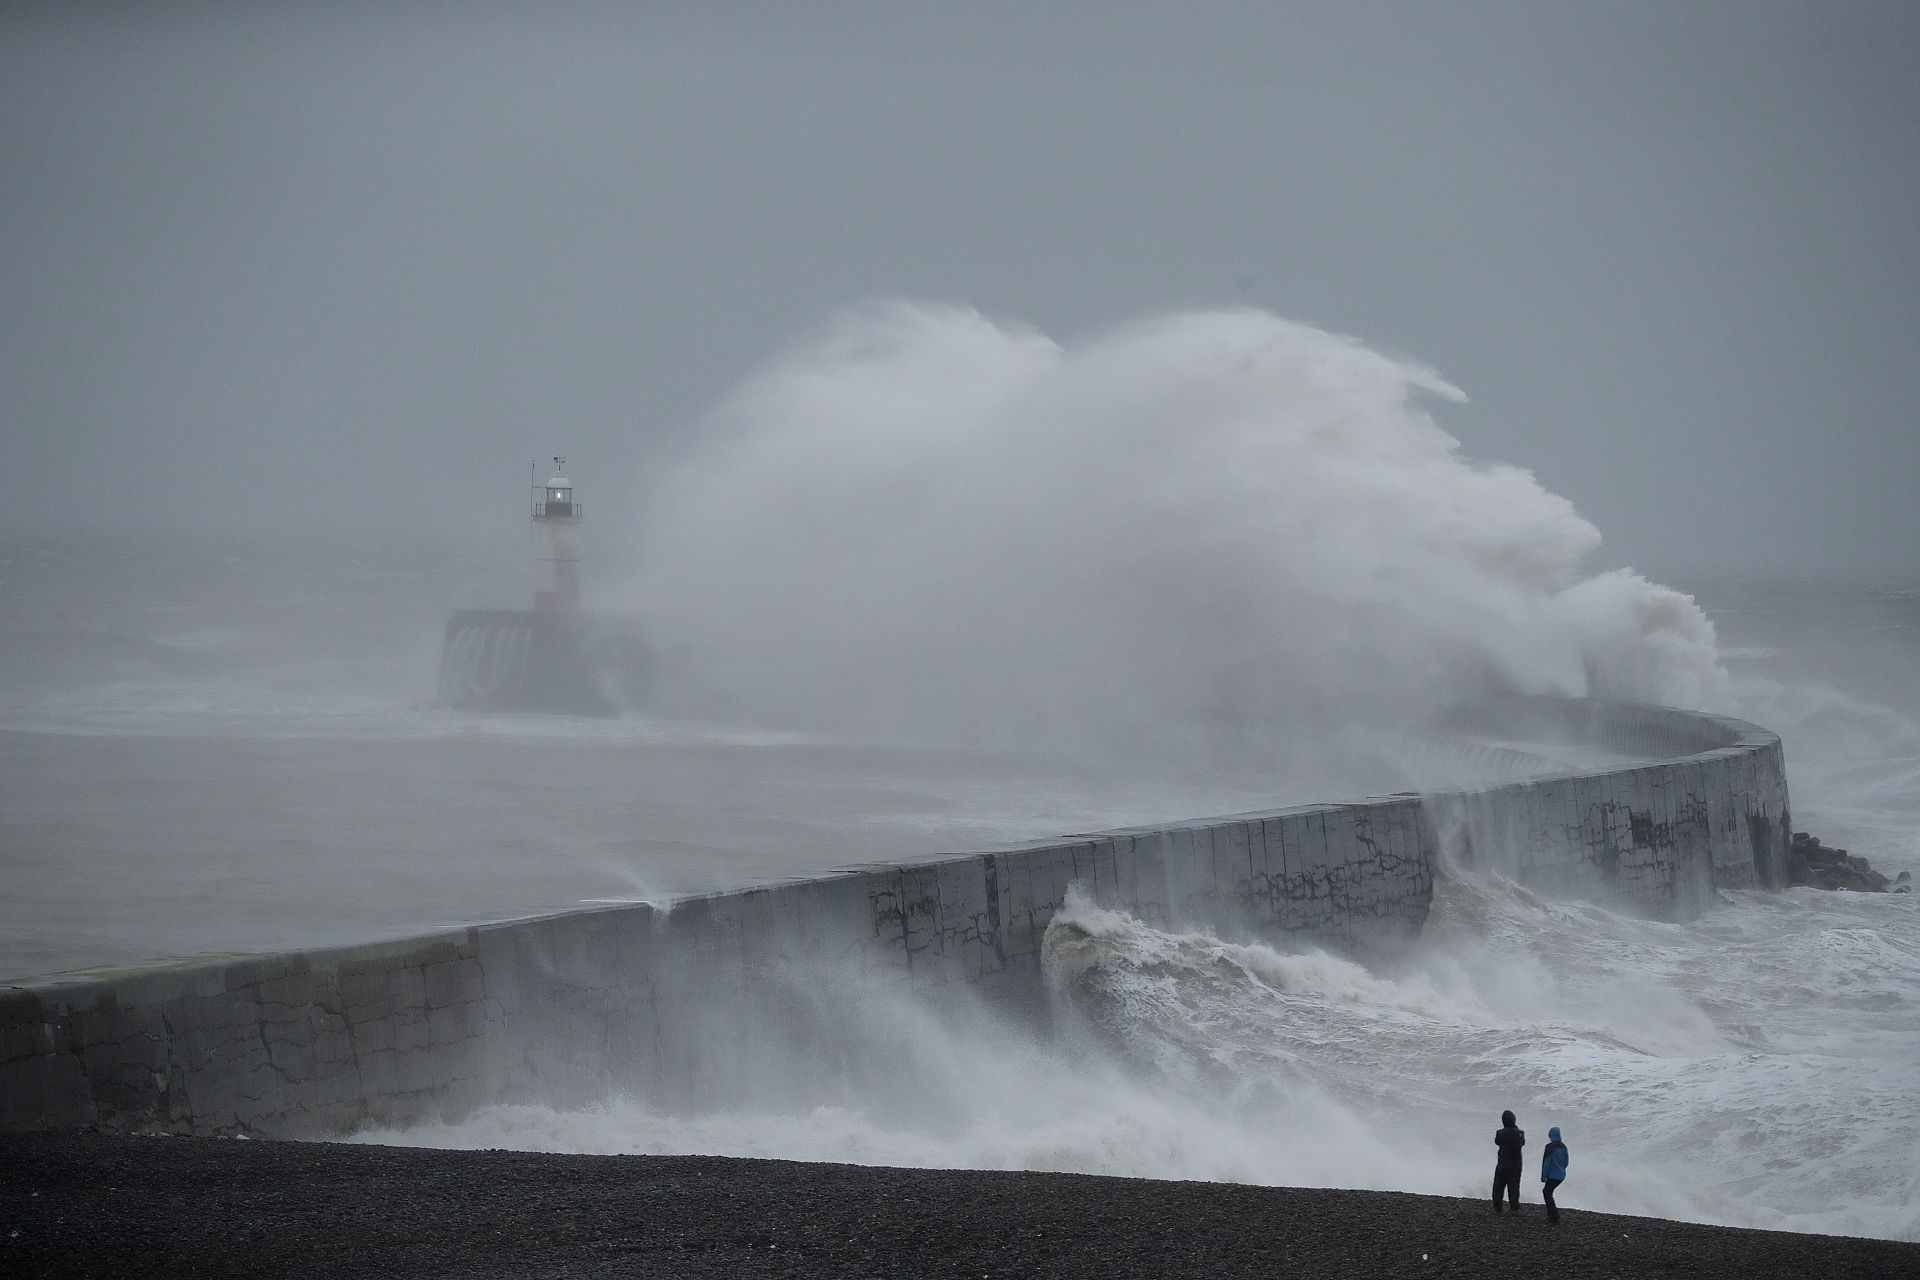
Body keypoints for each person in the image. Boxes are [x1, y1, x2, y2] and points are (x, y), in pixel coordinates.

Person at [1492, 1110, 1525, 1212]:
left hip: (1503, 1163)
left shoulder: (1500, 1133)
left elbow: (1497, 1142)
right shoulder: (1520, 1133)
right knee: (1514, 1186)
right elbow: (1522, 1143)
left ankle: (1498, 1207)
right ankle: (1514, 1207)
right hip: (1516, 1164)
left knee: (1499, 1186)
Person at [1540, 1125, 1570, 1225]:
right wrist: (1561, 1169)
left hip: (1553, 1175)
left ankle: (1554, 1217)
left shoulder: (1549, 1147)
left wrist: (1543, 1176)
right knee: (1548, 1192)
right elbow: (1566, 1162)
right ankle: (1553, 1215)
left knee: (1546, 1193)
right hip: (1561, 1175)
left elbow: (1547, 1163)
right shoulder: (1563, 1146)